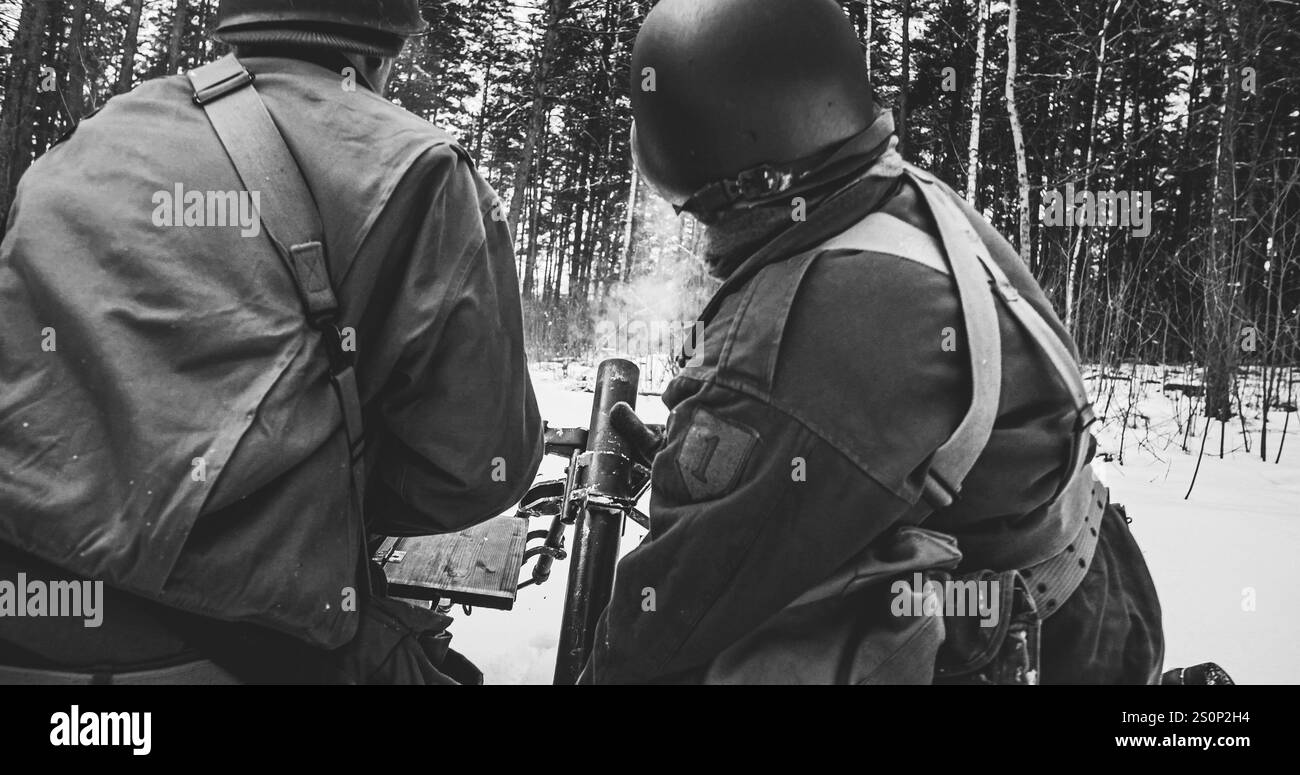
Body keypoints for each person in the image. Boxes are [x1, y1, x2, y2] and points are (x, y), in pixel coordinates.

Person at [583, 0, 1164, 684]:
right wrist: (734, 461)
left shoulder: (801, 327)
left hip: (1024, 647)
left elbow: (675, 615)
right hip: (1089, 588)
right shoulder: (893, 199)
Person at [0, 0, 542, 684]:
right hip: (219, 646)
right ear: (380, 52)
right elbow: (476, 470)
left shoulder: (93, 138)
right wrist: (313, 485)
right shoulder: (422, 167)